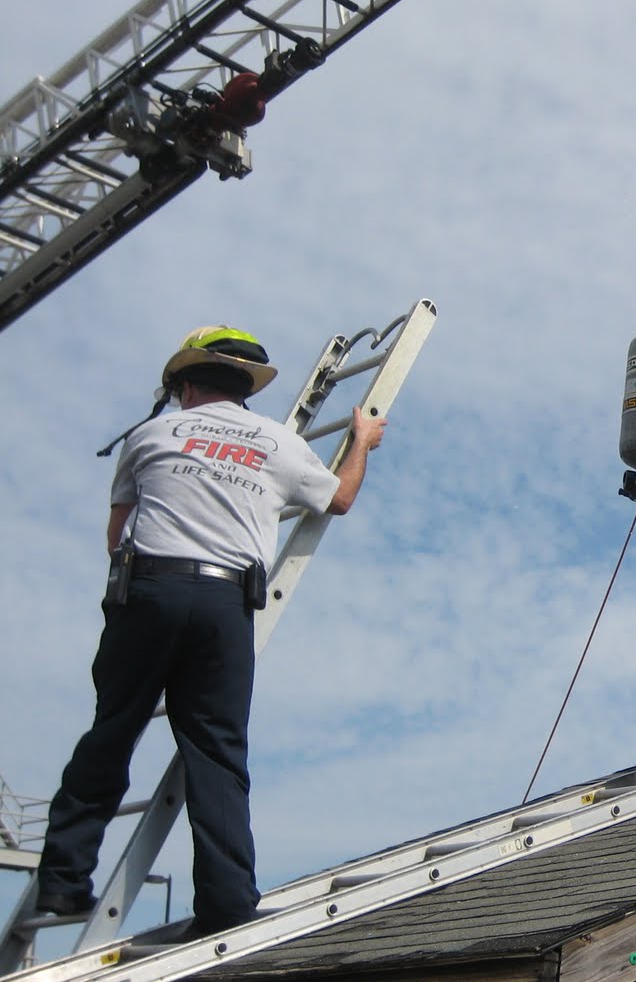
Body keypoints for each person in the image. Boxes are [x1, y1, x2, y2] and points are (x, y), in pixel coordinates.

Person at [33, 325, 387, 938]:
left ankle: (63, 882)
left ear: (186, 386)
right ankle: (227, 903)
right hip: (225, 604)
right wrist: (361, 441)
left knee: (112, 732)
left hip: (148, 592)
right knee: (218, 753)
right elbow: (341, 498)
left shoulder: (149, 436)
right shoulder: (280, 443)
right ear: (244, 387)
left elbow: (116, 537)